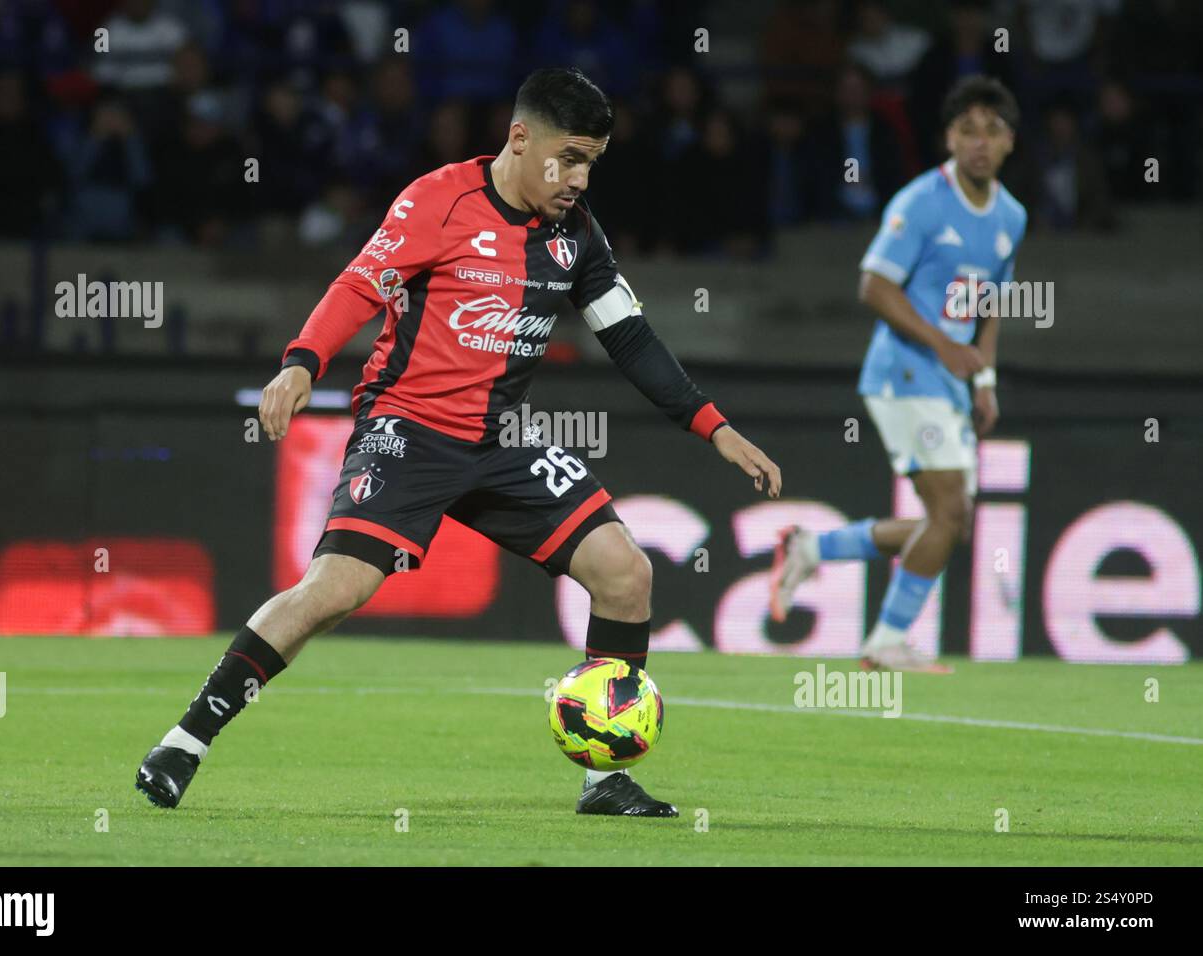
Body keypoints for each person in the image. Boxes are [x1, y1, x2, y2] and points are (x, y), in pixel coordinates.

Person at [136, 68, 782, 817]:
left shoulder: (576, 235)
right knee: (335, 591)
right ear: (519, 138)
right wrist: (300, 363)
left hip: (502, 438)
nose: (578, 179)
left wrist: (714, 425)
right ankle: (187, 738)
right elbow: (360, 283)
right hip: (406, 428)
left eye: (591, 163)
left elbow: (630, 338)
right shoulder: (438, 199)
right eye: (568, 158)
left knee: (625, 572)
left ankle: (603, 779)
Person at [769, 75, 1027, 673]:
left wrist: (983, 380)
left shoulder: (1012, 216)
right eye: (967, 131)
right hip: (904, 372)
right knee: (951, 514)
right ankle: (885, 641)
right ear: (949, 139)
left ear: (1010, 141)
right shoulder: (920, 201)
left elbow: (991, 305)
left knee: (945, 521)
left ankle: (816, 547)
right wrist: (943, 346)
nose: (979, 143)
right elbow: (875, 287)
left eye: (991, 132)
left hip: (946, 378)